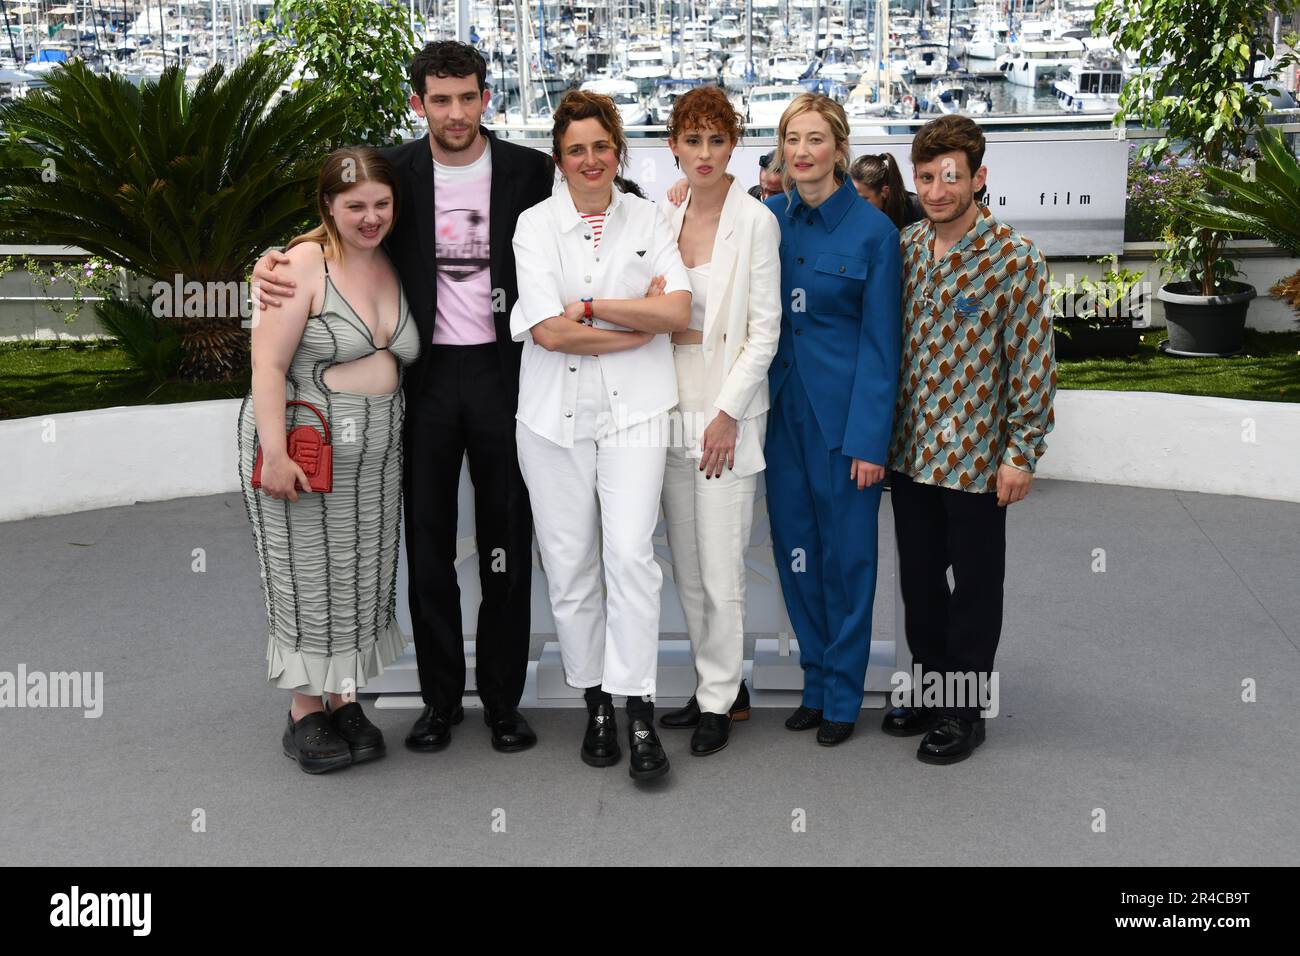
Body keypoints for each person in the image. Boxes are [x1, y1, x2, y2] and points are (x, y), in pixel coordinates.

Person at [251, 42, 555, 755]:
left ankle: (504, 703)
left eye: (468, 97)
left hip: (504, 378)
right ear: (418, 103)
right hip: (424, 382)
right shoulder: (397, 172)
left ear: (487, 97)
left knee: (508, 543)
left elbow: (601, 204)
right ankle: (441, 701)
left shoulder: (530, 172)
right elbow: (341, 228)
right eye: (439, 99)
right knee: (427, 545)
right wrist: (272, 258)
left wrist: (673, 199)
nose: (455, 112)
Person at [510, 89, 692, 781]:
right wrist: (628, 330)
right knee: (571, 564)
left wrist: (590, 311)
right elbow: (548, 332)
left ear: (618, 150)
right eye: (576, 149)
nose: (590, 159)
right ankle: (594, 704)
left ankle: (638, 707)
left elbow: (674, 311)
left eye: (601, 146)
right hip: (550, 420)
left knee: (630, 557)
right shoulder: (533, 226)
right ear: (559, 159)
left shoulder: (652, 216)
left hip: (637, 414)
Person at [238, 148, 419, 774]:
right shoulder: (299, 266)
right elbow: (268, 364)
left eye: (381, 204)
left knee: (362, 579)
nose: (370, 218)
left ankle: (345, 700)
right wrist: (276, 454)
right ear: (328, 207)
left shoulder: (395, 260)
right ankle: (304, 712)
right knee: (307, 580)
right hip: (306, 447)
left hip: (375, 457)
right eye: (355, 207)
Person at [883, 115, 1055, 764]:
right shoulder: (903, 249)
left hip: (979, 462)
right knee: (921, 584)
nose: (935, 189)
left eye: (949, 176)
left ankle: (964, 711)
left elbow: (1034, 365)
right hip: (911, 452)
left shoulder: (1015, 260)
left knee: (976, 591)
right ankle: (930, 689)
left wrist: (1021, 454)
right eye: (925, 177)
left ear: (978, 177)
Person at [763, 93, 902, 747]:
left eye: (815, 139)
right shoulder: (767, 220)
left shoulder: (875, 234)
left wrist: (872, 440)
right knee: (796, 555)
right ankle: (815, 680)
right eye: (792, 139)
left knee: (848, 560)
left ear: (839, 149)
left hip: (845, 426)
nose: (802, 152)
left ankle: (844, 694)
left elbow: (883, 347)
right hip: (779, 419)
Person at [654, 86, 781, 756]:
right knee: (689, 567)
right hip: (668, 408)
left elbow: (764, 332)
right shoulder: (662, 216)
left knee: (723, 567)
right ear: (673, 145)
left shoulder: (756, 221)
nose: (703, 154)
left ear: (733, 143)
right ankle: (719, 688)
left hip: (725, 413)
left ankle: (719, 696)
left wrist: (728, 413)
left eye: (716, 139)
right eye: (691, 140)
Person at [850, 152, 925, 229]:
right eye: (852, 197)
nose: (855, 206)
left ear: (885, 192)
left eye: (863, 199)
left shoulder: (916, 208)